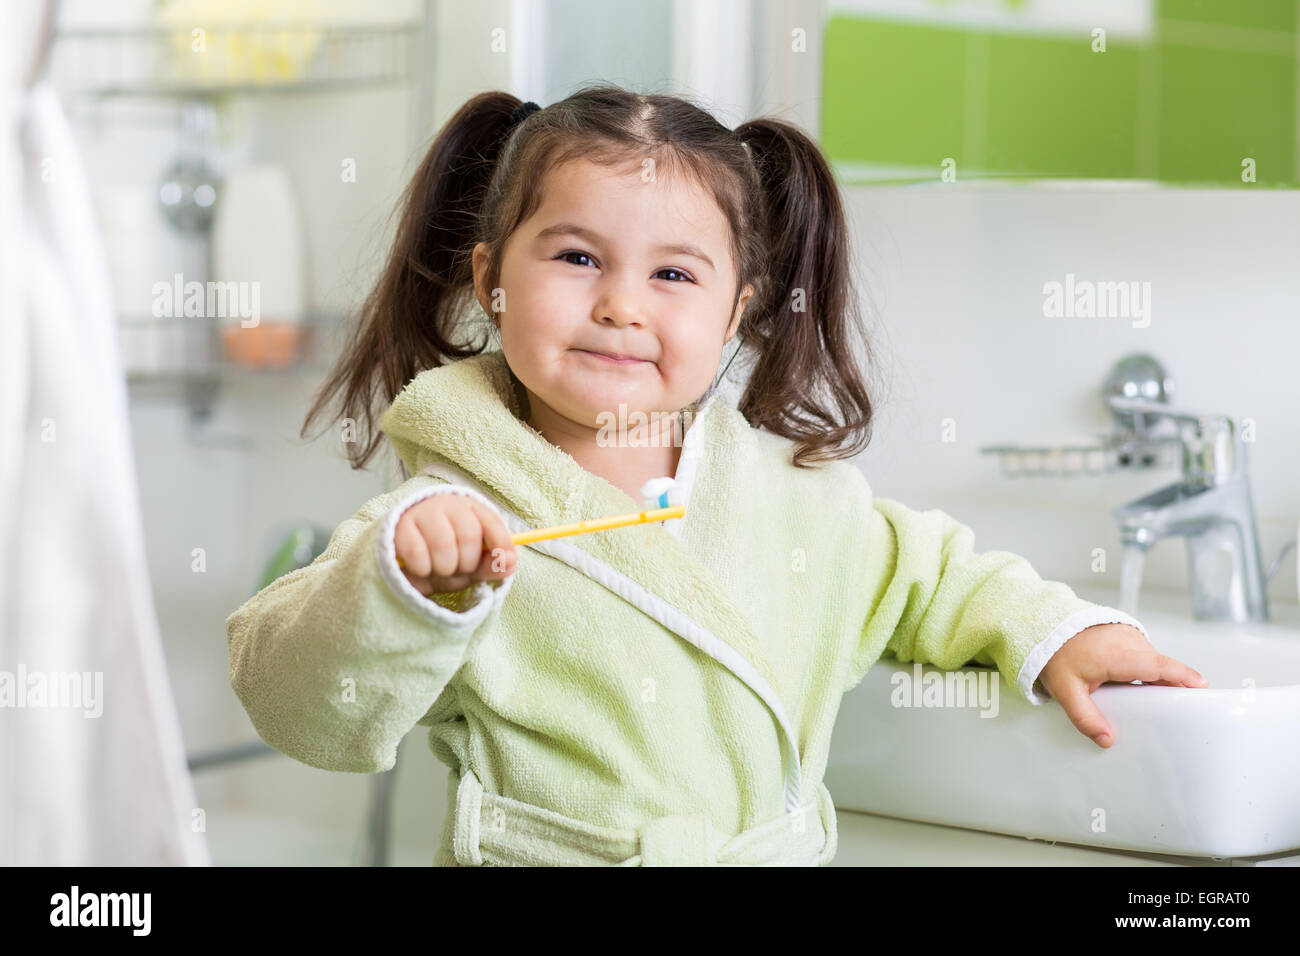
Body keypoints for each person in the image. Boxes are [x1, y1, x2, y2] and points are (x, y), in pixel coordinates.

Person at [226, 86, 1208, 866]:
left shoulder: (795, 500)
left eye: (672, 274)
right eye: (576, 255)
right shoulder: (444, 519)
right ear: (492, 279)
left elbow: (931, 574)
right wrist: (404, 592)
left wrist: (1055, 632)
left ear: (736, 308)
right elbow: (304, 705)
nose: (620, 305)